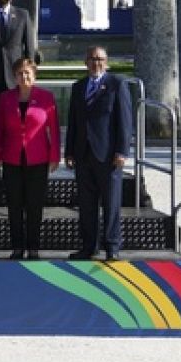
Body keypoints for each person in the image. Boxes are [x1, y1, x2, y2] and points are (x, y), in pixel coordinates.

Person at [65, 45, 135, 261]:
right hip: (83, 153)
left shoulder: (116, 84)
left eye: (100, 59)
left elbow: (124, 121)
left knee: (111, 202)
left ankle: (112, 246)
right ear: (86, 62)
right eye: (92, 59)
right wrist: (69, 151)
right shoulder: (79, 87)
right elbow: (73, 121)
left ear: (107, 62)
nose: (96, 63)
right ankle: (89, 246)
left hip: (108, 154)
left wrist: (122, 150)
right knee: (86, 204)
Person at [0, 57, 60, 260]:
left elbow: (54, 130)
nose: (24, 76)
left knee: (34, 204)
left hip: (37, 158)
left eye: (28, 73)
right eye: (20, 73)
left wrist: (55, 155)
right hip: (12, 158)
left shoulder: (46, 97)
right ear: (14, 76)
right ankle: (17, 247)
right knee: (14, 205)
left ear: (34, 75)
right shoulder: (5, 98)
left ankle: (33, 247)